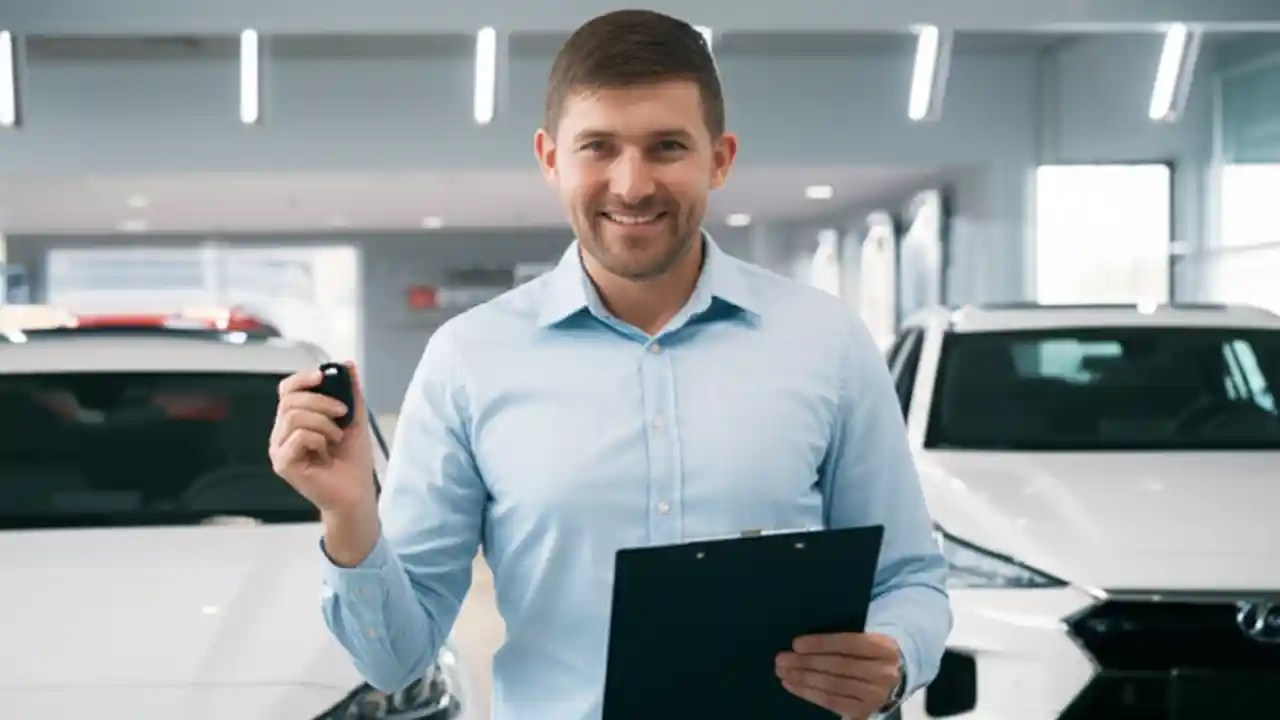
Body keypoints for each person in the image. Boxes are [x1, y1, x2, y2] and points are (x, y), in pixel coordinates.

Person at [269, 9, 952, 720]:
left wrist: (896, 656)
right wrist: (348, 513)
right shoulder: (469, 361)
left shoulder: (828, 345)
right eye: (598, 147)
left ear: (719, 158)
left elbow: (909, 579)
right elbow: (395, 659)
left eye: (666, 147)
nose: (631, 185)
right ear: (550, 158)